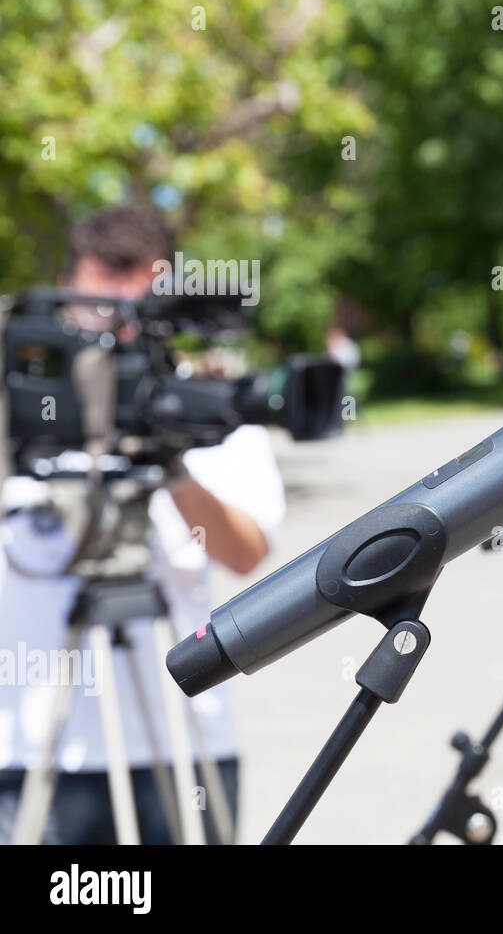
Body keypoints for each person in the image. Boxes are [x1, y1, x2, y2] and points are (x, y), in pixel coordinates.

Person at [0, 204, 285, 844]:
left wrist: (169, 460)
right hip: (32, 750)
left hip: (184, 748)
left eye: (138, 314)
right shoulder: (18, 398)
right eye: (102, 309)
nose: (118, 333)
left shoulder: (203, 407)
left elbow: (245, 553)